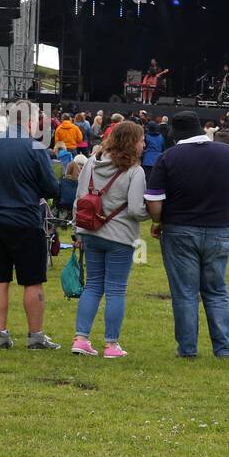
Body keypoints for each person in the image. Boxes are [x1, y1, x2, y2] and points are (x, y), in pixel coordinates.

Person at [144, 110, 229, 359]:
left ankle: (187, 349)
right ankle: (223, 349)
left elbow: (153, 200)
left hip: (179, 230)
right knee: (217, 290)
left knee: (185, 292)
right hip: (218, 230)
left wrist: (157, 221)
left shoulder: (168, 157)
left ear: (176, 134)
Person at [0, 107, 61, 349]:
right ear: (29, 121)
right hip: (24, 219)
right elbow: (51, 187)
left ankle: (0, 335)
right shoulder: (36, 148)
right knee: (32, 280)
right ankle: (35, 336)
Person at [71, 121, 149, 359]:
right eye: (141, 139)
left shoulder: (92, 163)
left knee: (93, 285)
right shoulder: (135, 171)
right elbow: (136, 209)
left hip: (90, 232)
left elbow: (79, 199)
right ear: (132, 143)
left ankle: (81, 338)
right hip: (120, 236)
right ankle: (111, 345)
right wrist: (154, 213)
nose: (143, 144)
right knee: (116, 289)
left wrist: (77, 230)